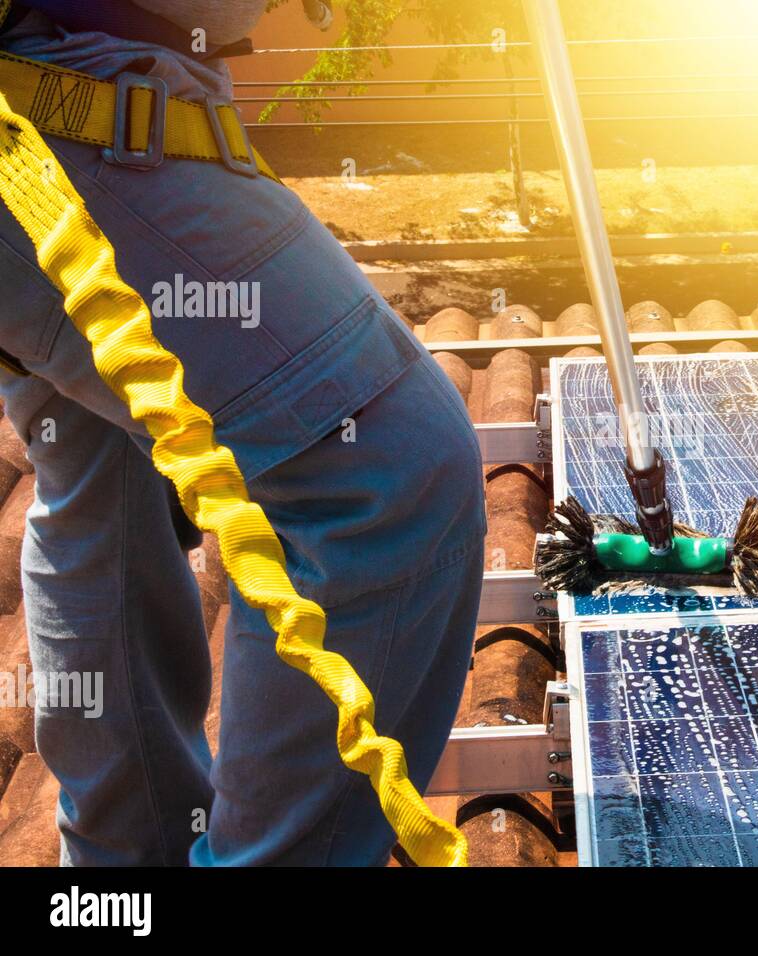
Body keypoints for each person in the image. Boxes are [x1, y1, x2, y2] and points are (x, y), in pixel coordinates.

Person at [0, 1, 486, 865]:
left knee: (108, 479)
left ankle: (125, 878)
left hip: (70, 96)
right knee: (380, 464)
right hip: (50, 111)